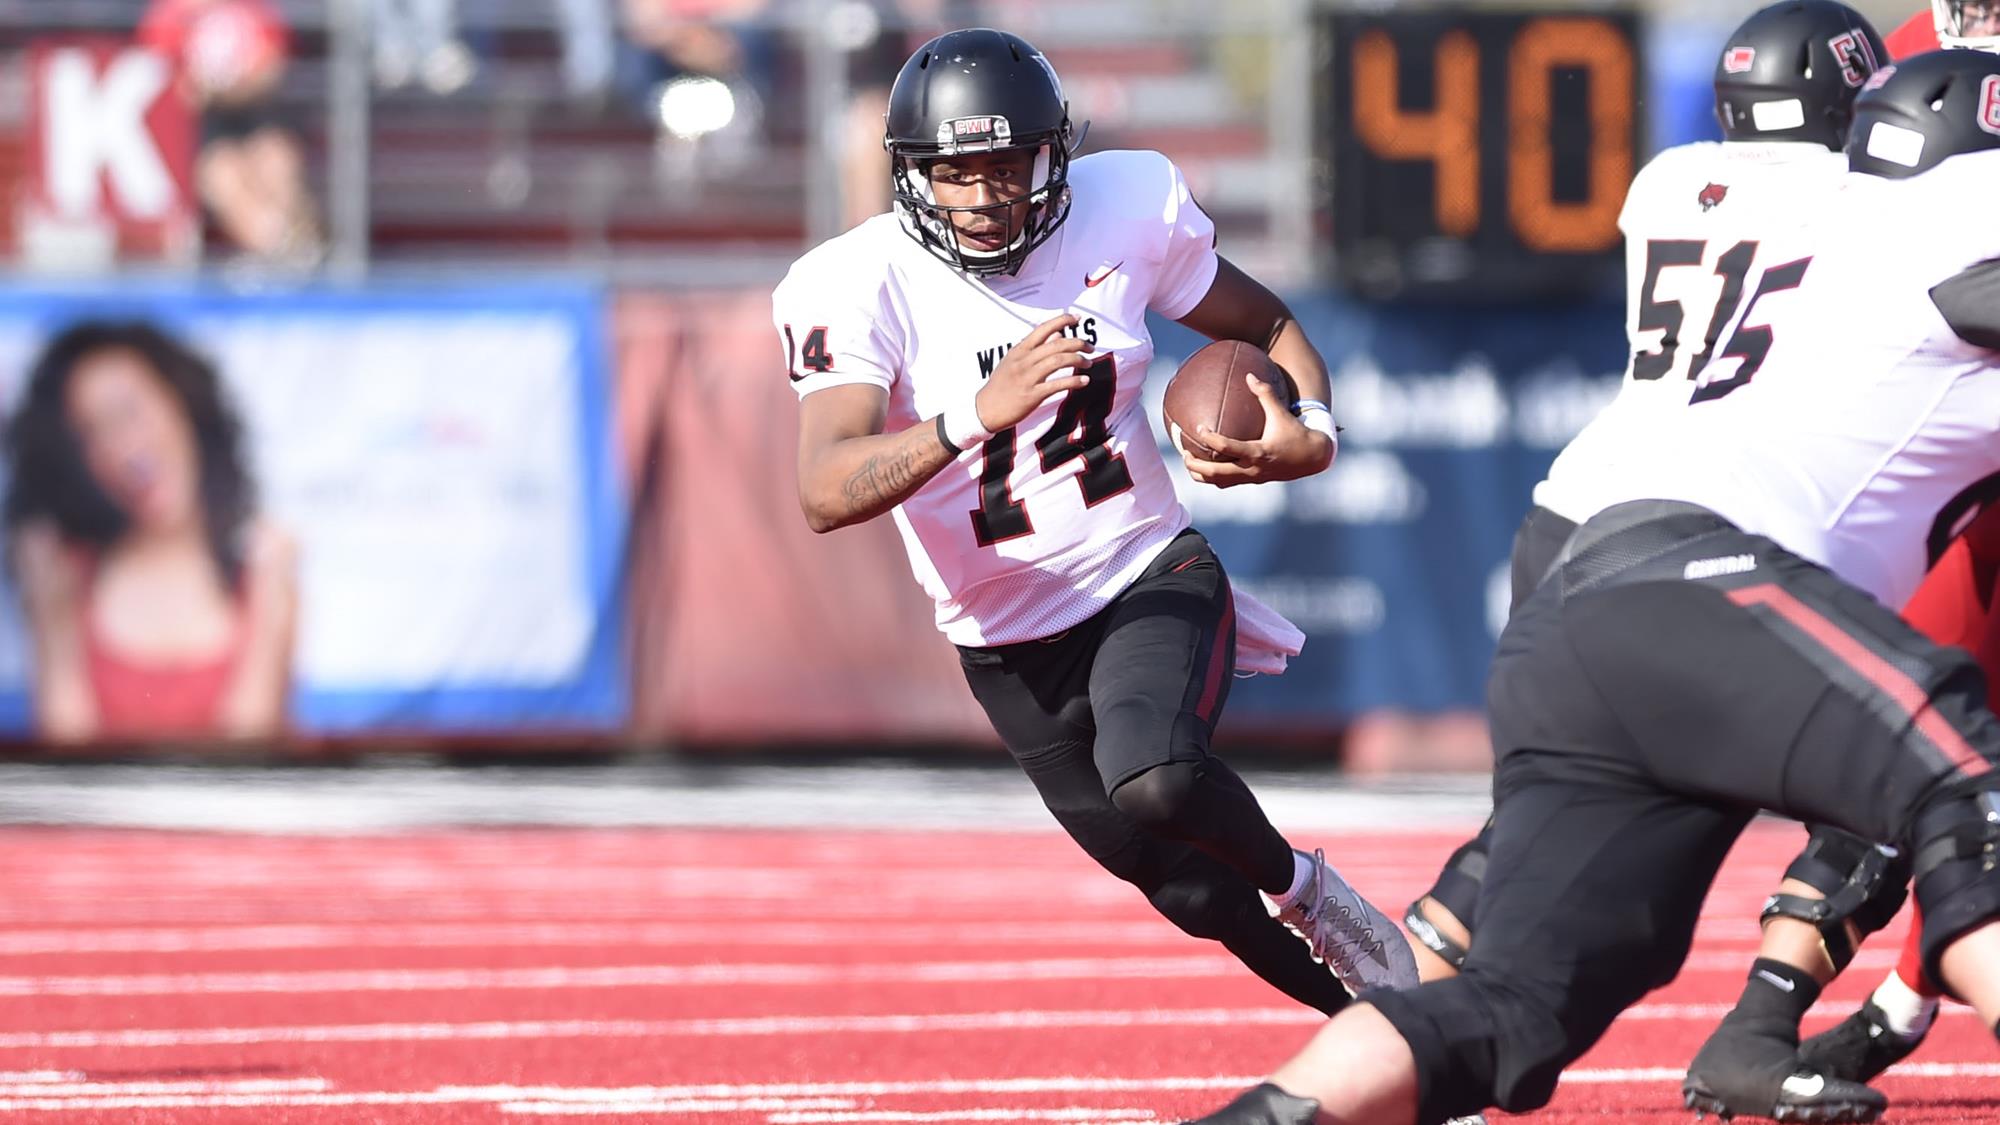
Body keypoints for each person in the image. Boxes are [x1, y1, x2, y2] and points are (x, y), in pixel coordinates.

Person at [1182, 47, 2000, 1125]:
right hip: (1700, 581)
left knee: (1506, 1009)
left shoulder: (1826, 228)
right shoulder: (1951, 214)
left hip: (1582, 613)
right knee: (1969, 790)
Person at [773, 28, 1420, 1016]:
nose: (986, 195)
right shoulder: (857, 283)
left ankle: (1310, 893)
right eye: (957, 172)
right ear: (912, 176)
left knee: (1155, 780)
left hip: (1142, 572)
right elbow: (823, 487)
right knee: (1191, 890)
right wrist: (968, 418)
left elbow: (1268, 328)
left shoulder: (1122, 209)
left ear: (1052, 154)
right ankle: (1402, 1038)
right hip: (1003, 642)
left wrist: (1314, 434)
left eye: (1006, 164)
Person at [1398, 4, 1903, 1118]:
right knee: (1896, 769)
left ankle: (1395, 1031)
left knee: (1542, 824)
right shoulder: (1860, 202)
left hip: (1571, 509)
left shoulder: (1666, 181)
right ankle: (1763, 1021)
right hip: (1704, 540)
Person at [4, 321, 297, 743]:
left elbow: (247, 762)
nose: (121, 445)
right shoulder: (66, 582)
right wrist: (52, 613)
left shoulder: (263, 577)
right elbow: (68, 768)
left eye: (129, 411)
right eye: (92, 431)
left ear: (185, 406)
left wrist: (273, 596)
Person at [138, 0, 324, 266]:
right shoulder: (171, 11)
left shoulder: (254, 6)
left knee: (277, 163)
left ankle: (296, 251)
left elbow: (272, 63)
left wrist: (233, 90)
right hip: (201, 123)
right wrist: (201, 92)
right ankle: (282, 252)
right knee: (224, 176)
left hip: (258, 109)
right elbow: (160, 75)